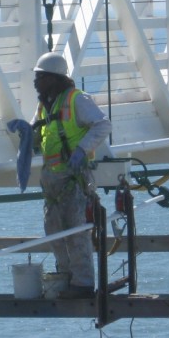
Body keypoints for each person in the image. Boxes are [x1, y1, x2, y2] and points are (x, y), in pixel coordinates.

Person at [10, 51, 111, 299]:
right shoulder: (46, 105)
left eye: (40, 77)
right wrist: (26, 132)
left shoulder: (76, 100)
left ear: (54, 78)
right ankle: (66, 280)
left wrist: (81, 150)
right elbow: (38, 135)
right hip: (53, 181)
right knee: (55, 232)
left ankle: (83, 284)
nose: (36, 82)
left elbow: (103, 124)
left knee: (76, 232)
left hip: (74, 178)